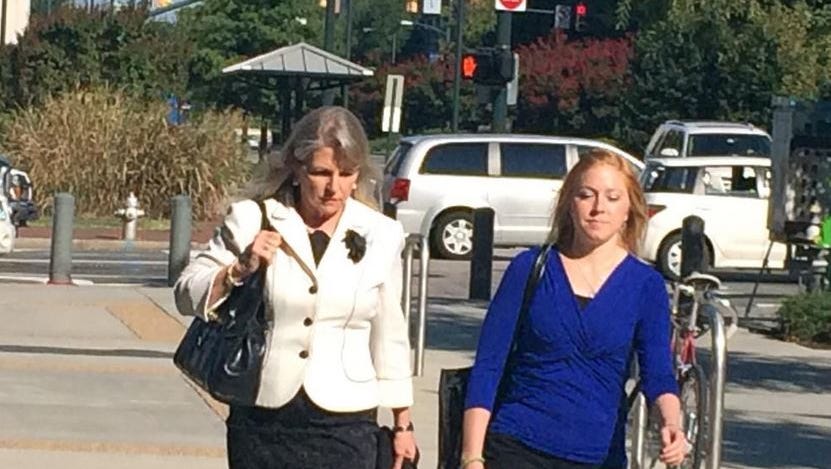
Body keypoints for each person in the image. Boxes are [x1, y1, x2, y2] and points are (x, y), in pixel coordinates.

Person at [174, 106, 418, 469]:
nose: (333, 187)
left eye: (346, 174)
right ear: (296, 169)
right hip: (262, 411)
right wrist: (239, 269)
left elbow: (389, 332)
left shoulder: (381, 233)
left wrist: (403, 422)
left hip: (347, 417)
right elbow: (185, 292)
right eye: (321, 173)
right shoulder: (252, 218)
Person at [460, 149, 688, 469]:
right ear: (570, 203)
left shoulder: (645, 285)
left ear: (629, 210)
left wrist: (671, 423)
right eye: (586, 195)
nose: (598, 208)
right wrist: (472, 456)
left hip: (597, 455)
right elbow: (488, 365)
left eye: (612, 197)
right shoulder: (529, 268)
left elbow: (658, 373)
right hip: (517, 444)